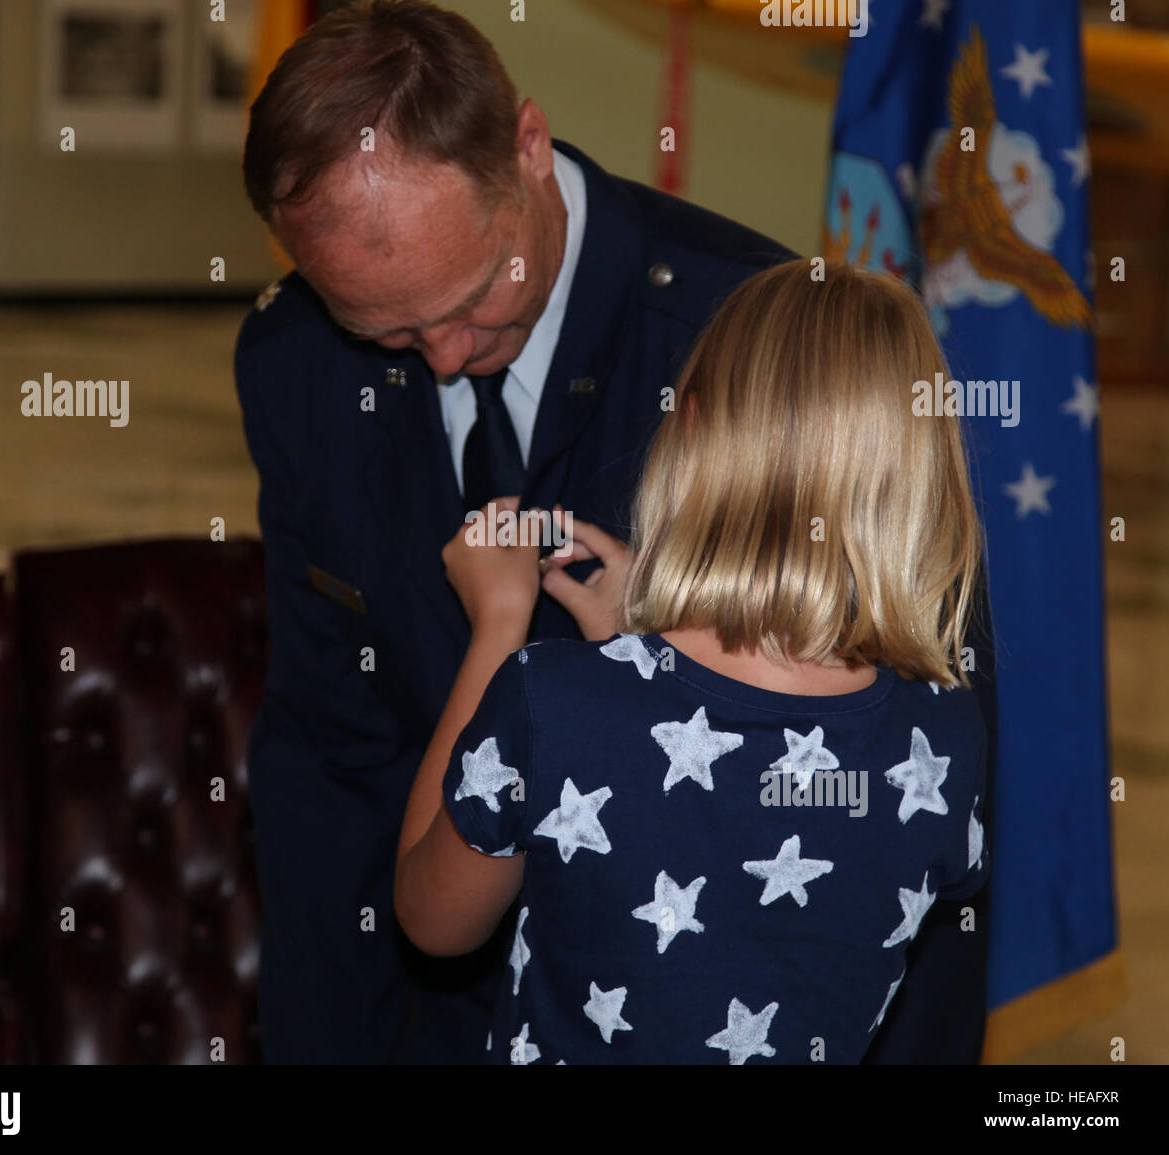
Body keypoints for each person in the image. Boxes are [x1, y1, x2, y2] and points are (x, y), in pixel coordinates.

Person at [235, 0, 989, 1064]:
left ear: (527, 151)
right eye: (387, 331)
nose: (442, 361)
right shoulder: (293, 363)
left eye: (472, 297)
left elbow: (909, 759)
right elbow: (326, 745)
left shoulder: (756, 354)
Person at [394, 259, 990, 1064]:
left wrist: (500, 624)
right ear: (922, 474)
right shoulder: (942, 740)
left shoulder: (555, 699)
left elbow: (433, 919)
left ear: (696, 428)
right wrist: (643, 641)